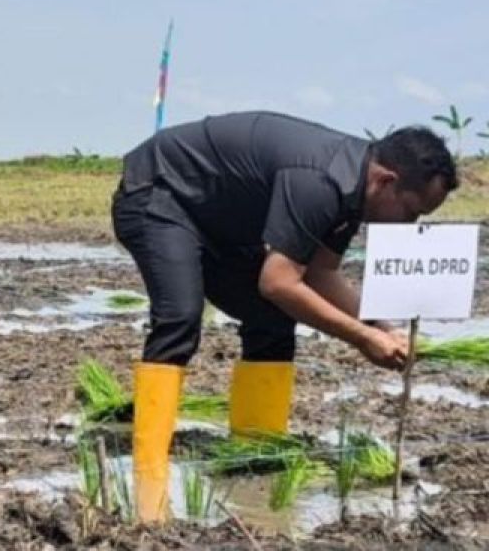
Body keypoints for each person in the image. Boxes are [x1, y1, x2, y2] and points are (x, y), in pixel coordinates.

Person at [111, 112, 458, 522]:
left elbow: (320, 273)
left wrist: (382, 325)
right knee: (180, 317)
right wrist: (361, 339)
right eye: (411, 212)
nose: (410, 225)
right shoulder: (320, 182)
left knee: (273, 321)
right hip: (160, 193)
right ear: (385, 181)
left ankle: (253, 454)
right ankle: (148, 480)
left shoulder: (352, 193)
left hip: (217, 218)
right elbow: (278, 282)